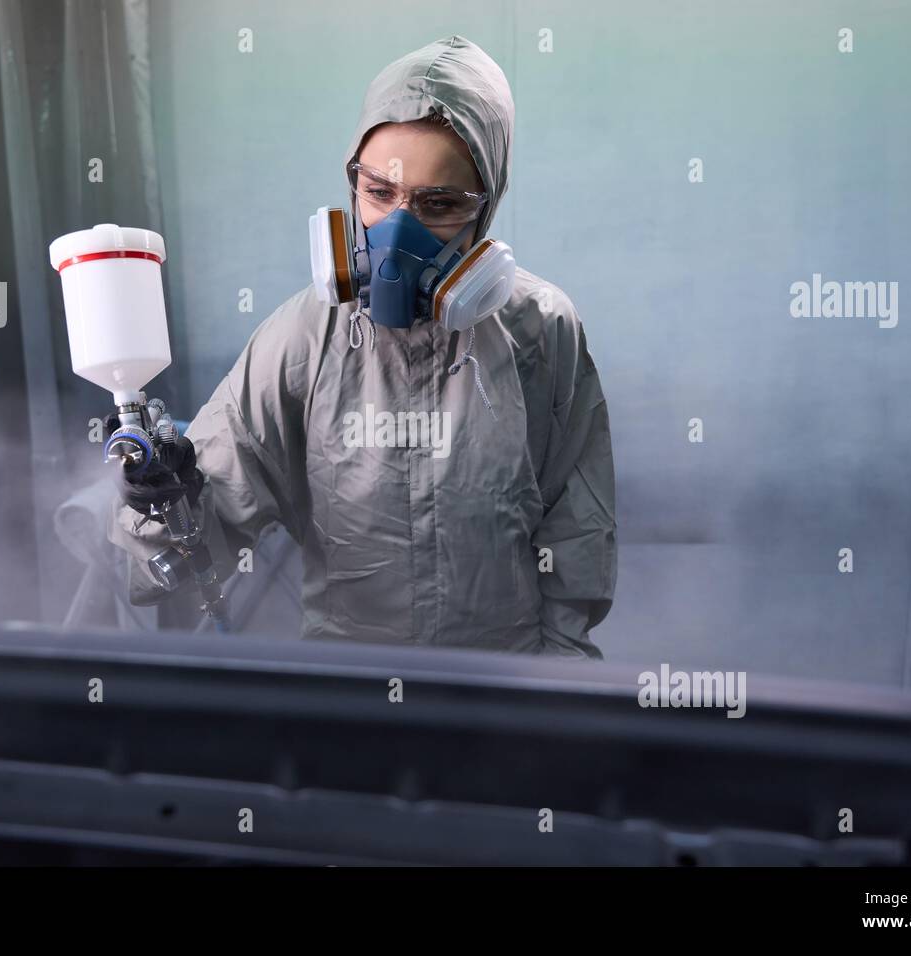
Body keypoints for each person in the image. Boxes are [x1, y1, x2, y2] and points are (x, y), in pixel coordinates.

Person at [109, 35, 616, 658]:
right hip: (350, 689)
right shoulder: (302, 337)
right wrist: (164, 500)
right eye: (379, 193)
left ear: (486, 209)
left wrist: (554, 703)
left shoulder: (542, 332)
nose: (399, 230)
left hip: (503, 687)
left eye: (439, 205)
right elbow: (189, 552)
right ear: (351, 187)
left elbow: (577, 540)